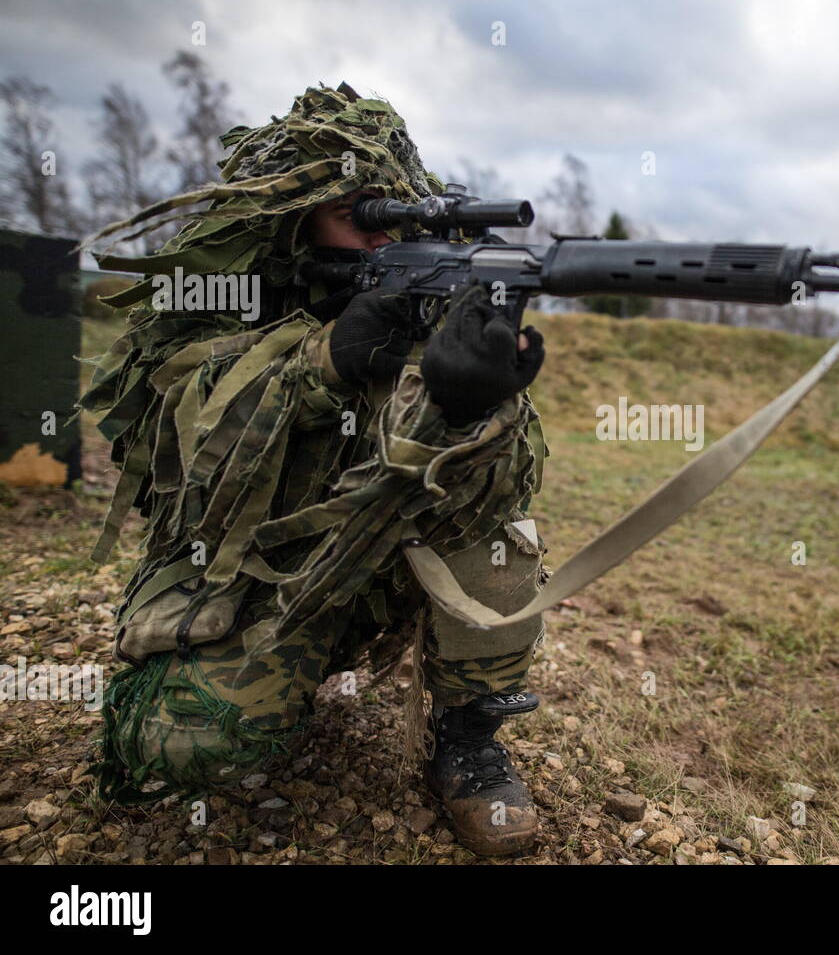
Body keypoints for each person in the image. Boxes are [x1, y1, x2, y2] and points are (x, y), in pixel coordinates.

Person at [78, 82, 550, 857]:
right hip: (254, 583)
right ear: (294, 226)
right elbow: (177, 446)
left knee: (499, 536)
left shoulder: (429, 316)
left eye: (398, 215)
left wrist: (471, 406)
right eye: (360, 216)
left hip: (387, 569)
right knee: (183, 742)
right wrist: (322, 360)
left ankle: (467, 737)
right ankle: (282, 685)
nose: (379, 242)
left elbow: (492, 492)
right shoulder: (218, 306)